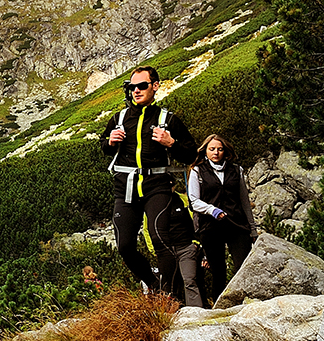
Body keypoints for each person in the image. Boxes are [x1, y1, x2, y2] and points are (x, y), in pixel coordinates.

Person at [101, 66, 197, 300]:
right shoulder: (119, 118)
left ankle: (169, 297)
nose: (136, 91)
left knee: (159, 238)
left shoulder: (168, 120)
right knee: (124, 246)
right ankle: (153, 283)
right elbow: (103, 146)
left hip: (158, 186)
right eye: (132, 87)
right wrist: (110, 141)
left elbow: (191, 154)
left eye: (142, 86)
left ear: (155, 86)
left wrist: (171, 142)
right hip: (125, 188)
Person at [190, 134, 255, 301]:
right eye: (212, 149)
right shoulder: (197, 171)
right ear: (205, 151)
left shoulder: (236, 170)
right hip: (210, 227)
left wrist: (252, 228)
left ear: (226, 151)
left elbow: (244, 201)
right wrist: (212, 210)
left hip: (237, 224)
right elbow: (194, 201)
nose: (216, 152)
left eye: (220, 149)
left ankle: (243, 301)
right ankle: (219, 304)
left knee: (242, 266)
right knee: (218, 270)